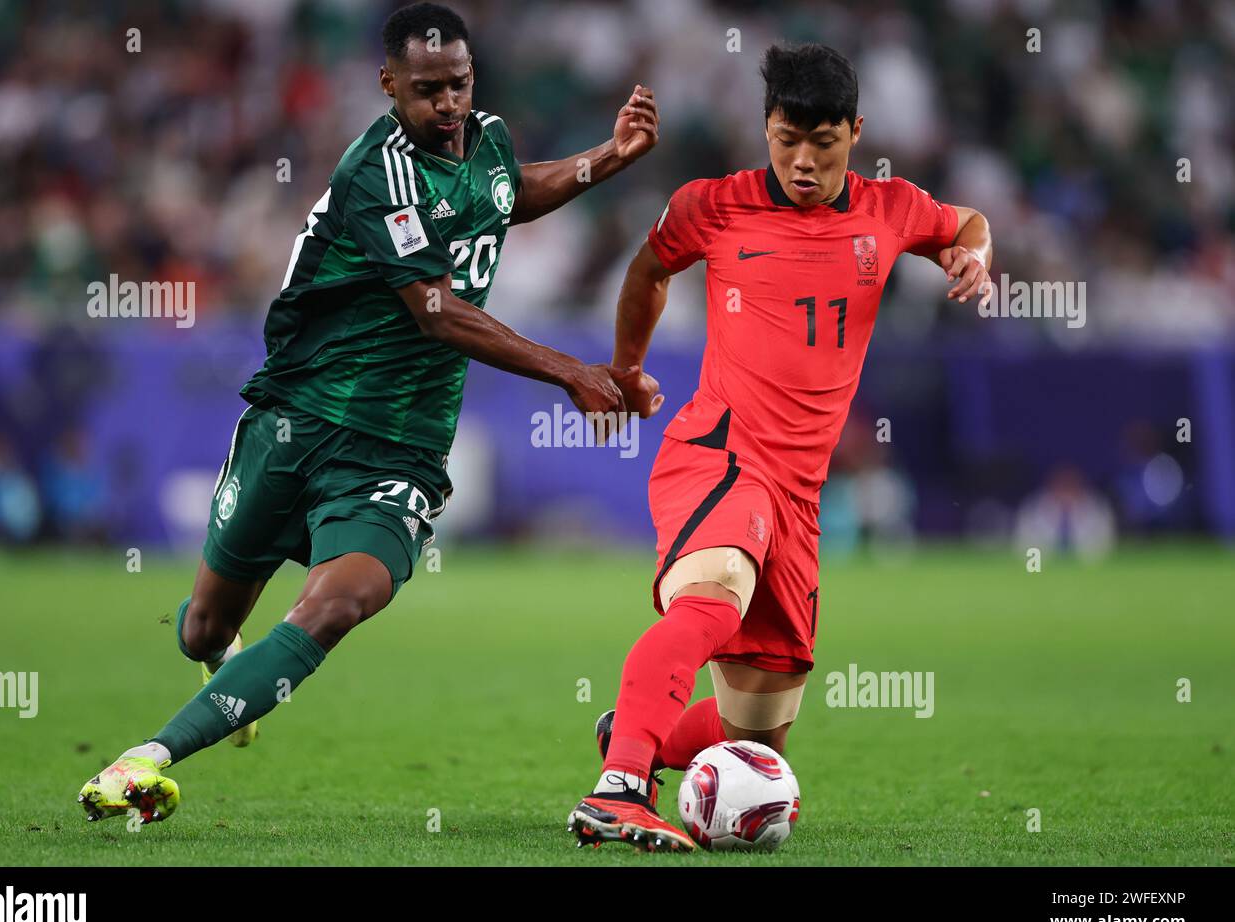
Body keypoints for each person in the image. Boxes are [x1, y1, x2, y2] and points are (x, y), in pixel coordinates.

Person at [78, 1, 661, 825]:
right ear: (389, 84)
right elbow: (435, 310)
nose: (449, 105)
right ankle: (218, 658)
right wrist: (569, 370)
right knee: (203, 628)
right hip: (299, 420)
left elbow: (505, 192)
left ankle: (146, 758)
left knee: (337, 602)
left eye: (459, 84)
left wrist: (607, 158)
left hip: (400, 450)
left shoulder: (485, 139)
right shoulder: (371, 171)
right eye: (428, 91)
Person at [568, 42, 992, 850]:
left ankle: (640, 731)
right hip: (721, 452)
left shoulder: (889, 209)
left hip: (799, 495)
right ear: (765, 126)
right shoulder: (712, 205)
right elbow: (649, 271)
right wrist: (625, 371)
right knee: (713, 594)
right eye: (785, 139)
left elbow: (964, 224)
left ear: (855, 133)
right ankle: (618, 787)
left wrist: (975, 255)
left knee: (757, 745)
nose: (802, 161)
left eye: (822, 145)